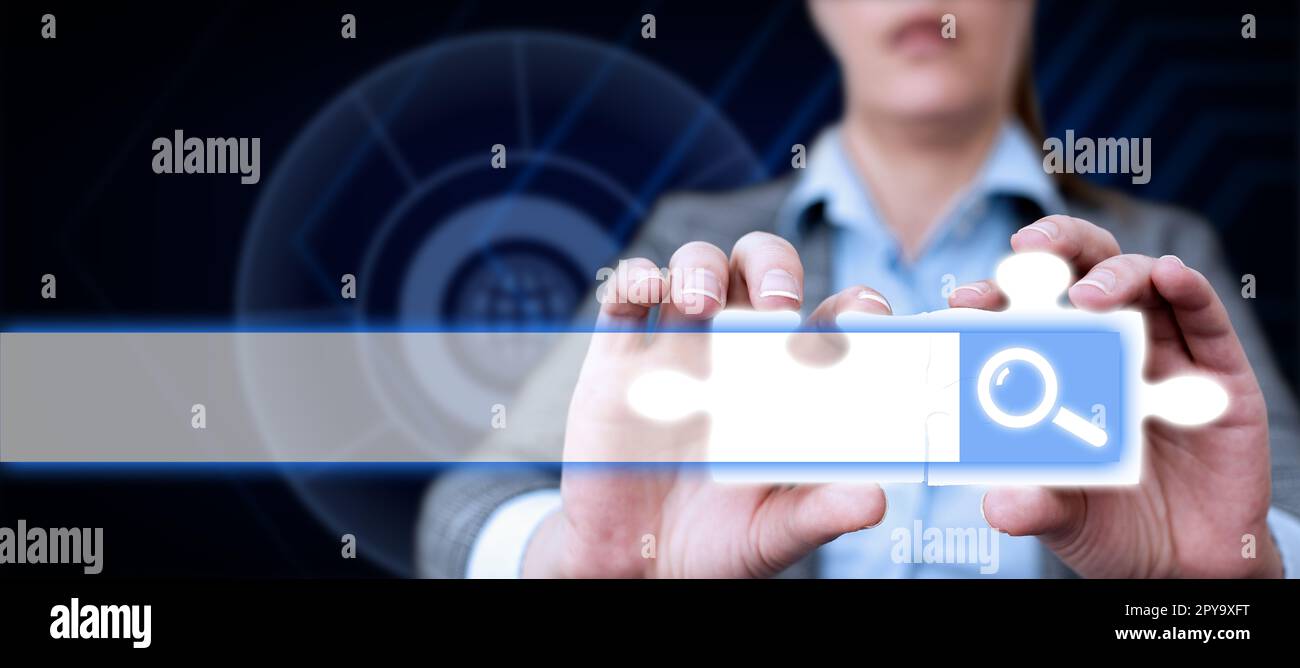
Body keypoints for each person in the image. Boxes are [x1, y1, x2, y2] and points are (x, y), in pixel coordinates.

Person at [418, 0, 1300, 578]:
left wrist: (1246, 569)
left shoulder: (1163, 254)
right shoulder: (694, 248)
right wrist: (582, 561)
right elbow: (464, 512)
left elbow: (1278, 505)